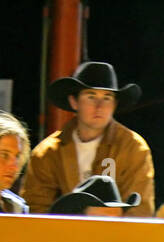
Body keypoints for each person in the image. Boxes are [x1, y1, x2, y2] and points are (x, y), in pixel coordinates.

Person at [22, 61, 155, 218]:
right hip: (62, 238)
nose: (99, 106)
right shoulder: (47, 153)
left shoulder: (132, 148)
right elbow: (36, 208)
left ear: (115, 104)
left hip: (115, 238)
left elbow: (140, 210)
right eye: (91, 96)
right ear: (74, 101)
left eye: (107, 97)